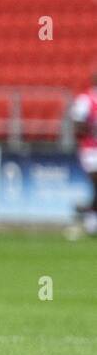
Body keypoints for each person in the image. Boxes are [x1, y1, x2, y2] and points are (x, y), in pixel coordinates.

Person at [70, 70, 97, 235]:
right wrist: (91, 130)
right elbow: (77, 124)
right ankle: (89, 218)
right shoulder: (85, 99)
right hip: (91, 150)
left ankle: (88, 217)